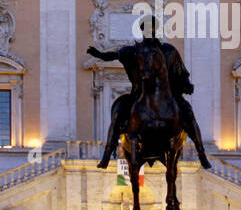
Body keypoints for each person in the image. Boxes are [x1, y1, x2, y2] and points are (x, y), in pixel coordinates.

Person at [88, 16, 211, 170]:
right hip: (138, 94)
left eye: (152, 28)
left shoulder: (168, 50)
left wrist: (186, 84)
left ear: (156, 30)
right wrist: (99, 55)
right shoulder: (134, 51)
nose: (149, 31)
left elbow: (180, 70)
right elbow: (114, 55)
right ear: (142, 31)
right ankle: (107, 154)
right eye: (146, 28)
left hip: (168, 96)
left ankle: (201, 153)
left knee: (188, 113)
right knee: (118, 112)